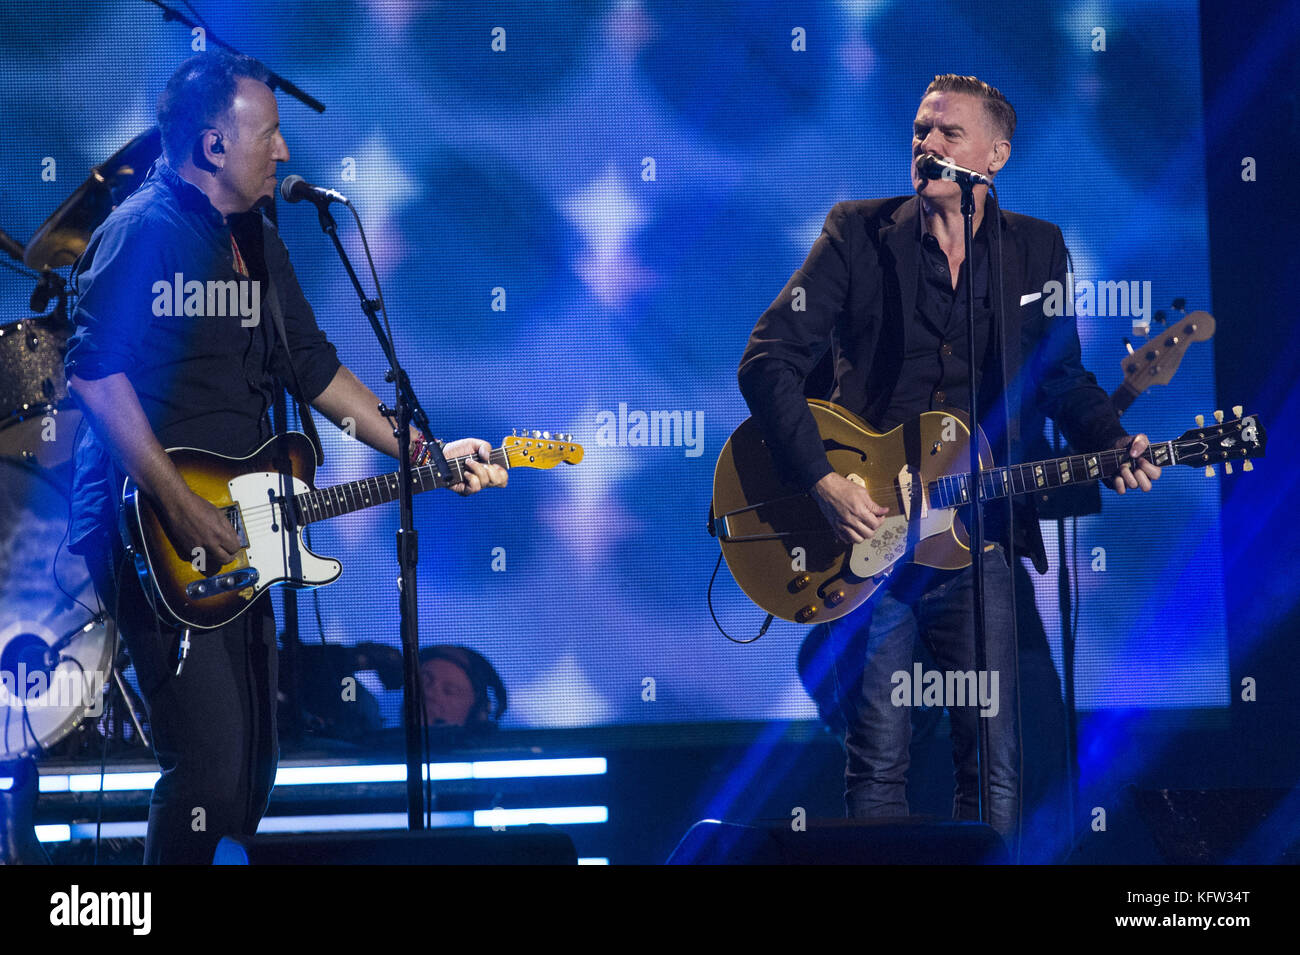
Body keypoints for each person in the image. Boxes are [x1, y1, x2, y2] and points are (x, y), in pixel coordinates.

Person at [63, 52, 508, 864]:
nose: (285, 151)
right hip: (153, 531)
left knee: (251, 772)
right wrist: (179, 504)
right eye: (268, 134)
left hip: (242, 526)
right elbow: (94, 374)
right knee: (206, 765)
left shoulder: (259, 239)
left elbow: (314, 368)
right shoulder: (141, 232)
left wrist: (426, 452)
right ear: (211, 145)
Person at [737, 74, 1161, 853]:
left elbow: (1062, 377)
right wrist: (824, 482)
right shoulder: (857, 233)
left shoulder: (1036, 249)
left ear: (995, 157)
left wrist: (1112, 443)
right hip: (866, 533)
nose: (926, 144)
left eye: (947, 133)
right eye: (919, 131)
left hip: (976, 531)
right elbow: (766, 361)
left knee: (995, 760)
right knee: (878, 760)